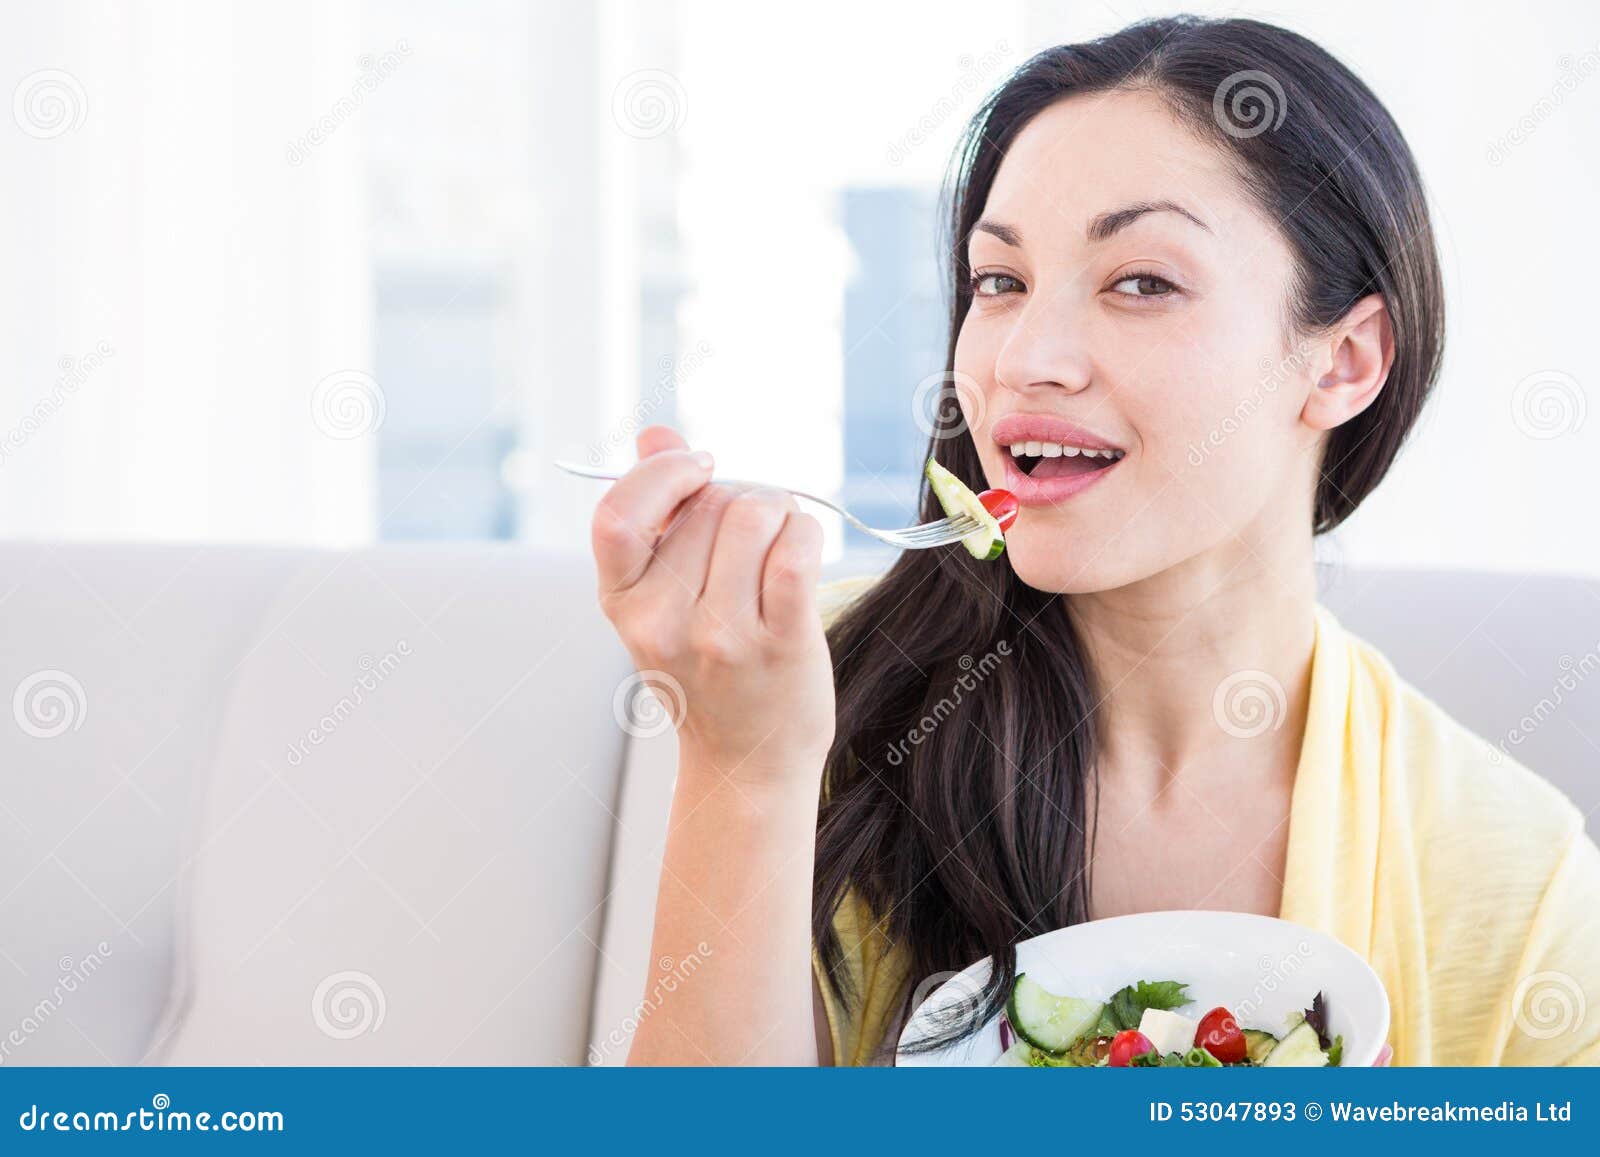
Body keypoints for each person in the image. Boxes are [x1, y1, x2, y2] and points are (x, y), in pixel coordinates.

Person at [592, 15, 1600, 1066]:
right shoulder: (806, 695)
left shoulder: (1517, 887)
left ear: (1342, 360)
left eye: (1140, 281)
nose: (1027, 357)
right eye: (999, 281)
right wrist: (744, 770)